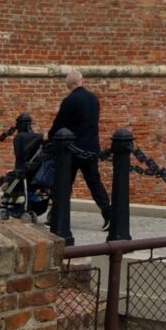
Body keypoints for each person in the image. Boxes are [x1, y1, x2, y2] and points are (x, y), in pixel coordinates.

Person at [49, 67, 113, 229]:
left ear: (68, 85)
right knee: (94, 182)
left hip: (71, 150)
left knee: (64, 183)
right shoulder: (93, 99)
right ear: (81, 81)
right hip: (91, 148)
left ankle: (57, 216)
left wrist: (49, 138)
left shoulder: (69, 101)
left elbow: (58, 125)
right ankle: (109, 214)